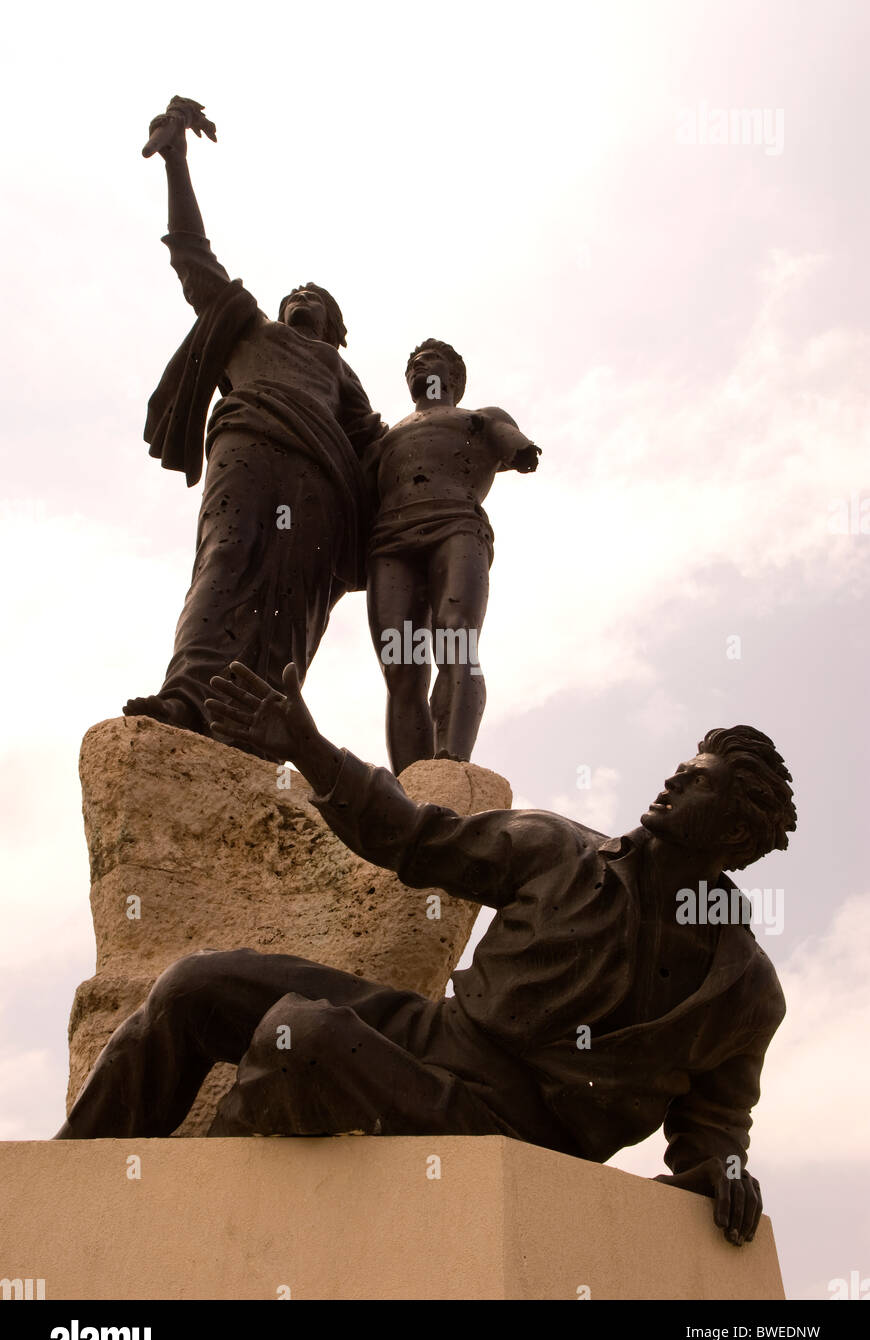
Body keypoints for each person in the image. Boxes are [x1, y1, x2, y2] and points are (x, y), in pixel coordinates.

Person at [58, 661, 796, 1247]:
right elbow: (413, 838)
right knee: (198, 984)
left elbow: (715, 1127)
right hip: (433, 1036)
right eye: (682, 766)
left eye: (699, 782)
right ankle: (55, 1190)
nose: (673, 779)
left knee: (309, 1040)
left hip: (512, 1131)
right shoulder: (557, 849)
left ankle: (182, 1234)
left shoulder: (743, 992)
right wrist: (309, 750)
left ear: (734, 835)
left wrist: (727, 1167)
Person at [123, 99, 385, 738]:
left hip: (322, 481)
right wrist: (177, 163)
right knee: (226, 558)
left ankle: (261, 724)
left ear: (335, 328)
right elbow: (192, 256)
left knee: (291, 597)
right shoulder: (243, 324)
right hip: (248, 447)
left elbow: (376, 448)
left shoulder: (339, 373)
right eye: (297, 294)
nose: (304, 301)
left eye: (318, 301)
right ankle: (186, 697)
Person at [366, 339, 539, 771]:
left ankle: (451, 760)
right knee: (400, 662)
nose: (418, 365)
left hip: (456, 523)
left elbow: (517, 449)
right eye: (411, 363)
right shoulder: (385, 437)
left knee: (455, 635)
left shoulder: (481, 419)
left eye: (430, 360)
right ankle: (409, 782)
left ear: (455, 378)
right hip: (390, 540)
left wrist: (519, 449)